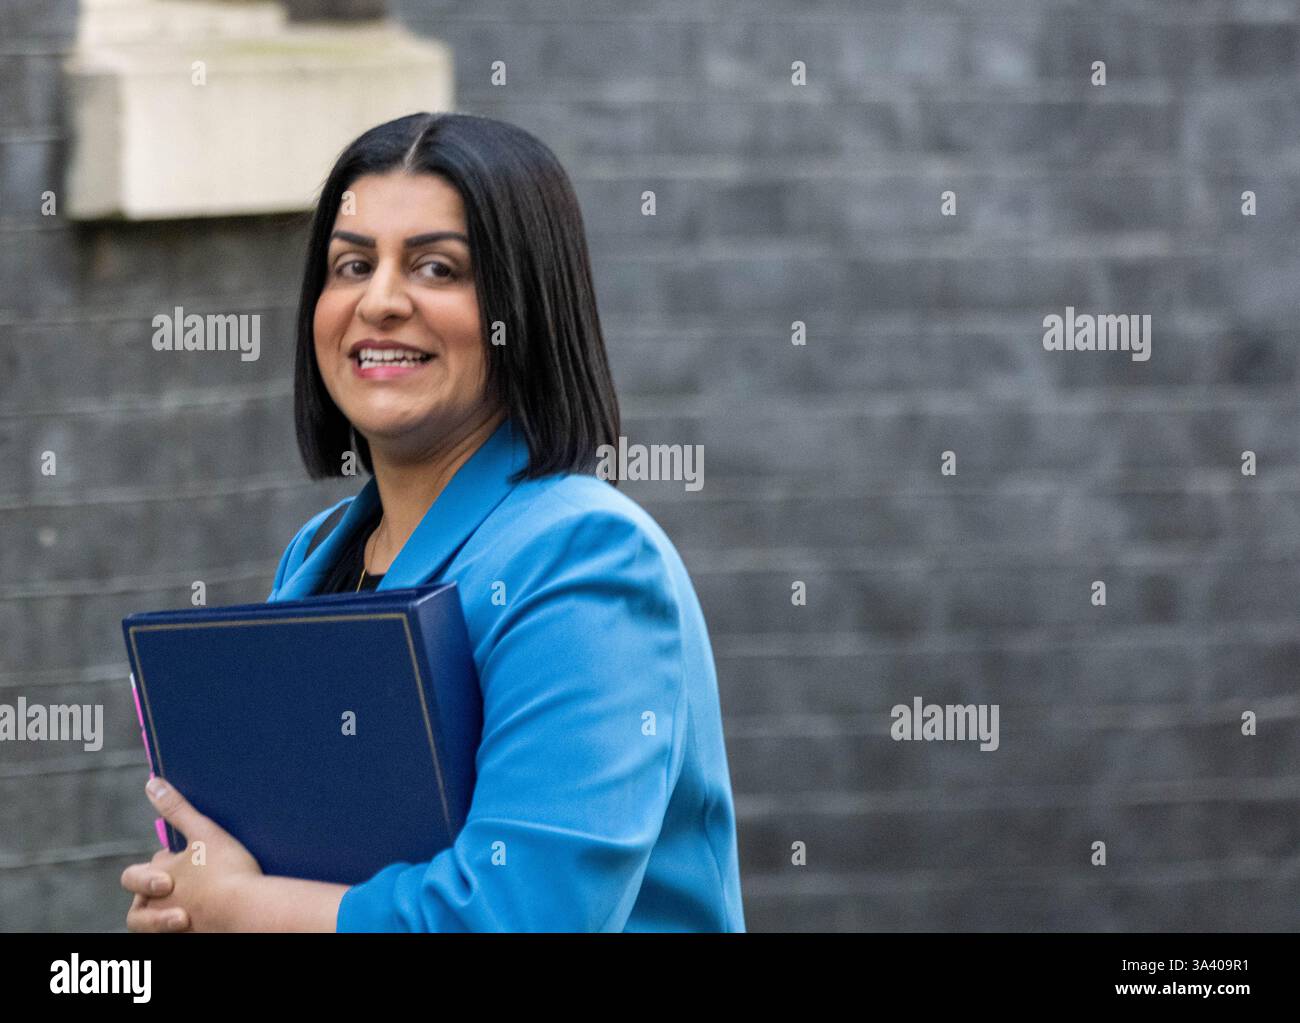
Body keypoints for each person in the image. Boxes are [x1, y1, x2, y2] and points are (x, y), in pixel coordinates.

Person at [119, 111, 745, 932]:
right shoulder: (317, 558)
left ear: (523, 308)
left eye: (437, 268)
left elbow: (524, 915)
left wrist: (240, 905)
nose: (379, 301)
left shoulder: (589, 559)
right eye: (351, 265)